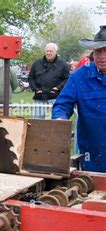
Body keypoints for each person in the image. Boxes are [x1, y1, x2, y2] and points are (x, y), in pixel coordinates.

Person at [52, 26, 106, 173]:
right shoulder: (80, 76)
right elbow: (62, 104)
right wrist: (60, 120)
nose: (102, 56)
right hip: (94, 155)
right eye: (98, 51)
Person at [28, 43, 70, 119]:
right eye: (47, 51)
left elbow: (67, 79)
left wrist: (58, 88)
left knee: (56, 119)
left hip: (55, 97)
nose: (49, 53)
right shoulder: (37, 63)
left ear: (56, 52)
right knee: (37, 121)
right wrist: (35, 89)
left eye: (51, 51)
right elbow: (31, 77)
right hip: (39, 96)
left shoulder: (63, 65)